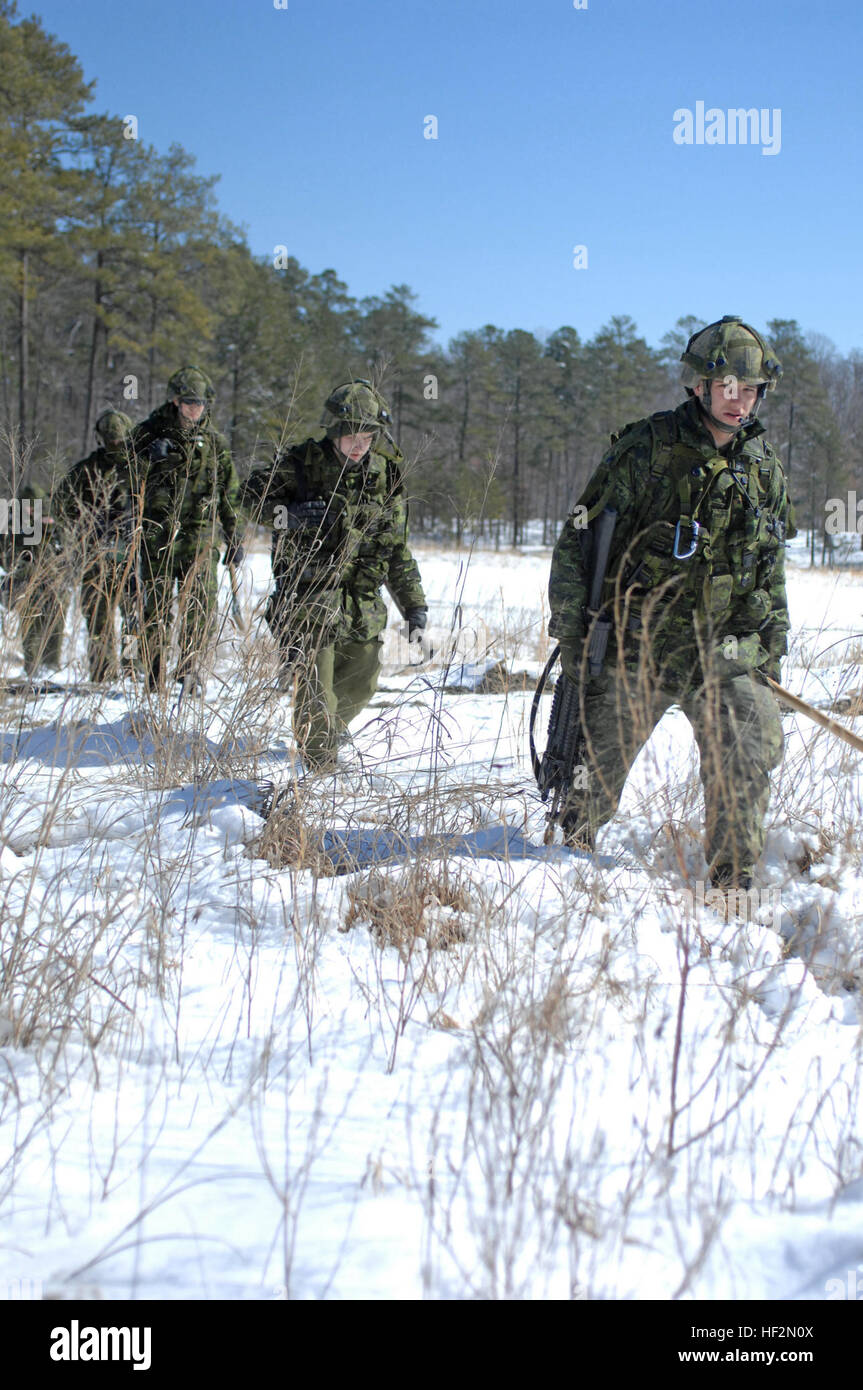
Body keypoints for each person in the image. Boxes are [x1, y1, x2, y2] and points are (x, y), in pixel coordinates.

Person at [548, 316, 793, 890]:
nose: (740, 401)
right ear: (699, 386)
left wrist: (767, 662)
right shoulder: (646, 450)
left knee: (749, 746)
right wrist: (575, 639)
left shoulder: (764, 472)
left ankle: (732, 883)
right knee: (588, 781)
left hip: (723, 656)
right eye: (729, 386)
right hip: (638, 650)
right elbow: (577, 543)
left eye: (751, 389)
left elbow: (771, 575)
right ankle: (560, 875)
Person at [242, 379, 428, 770]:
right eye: (351, 436)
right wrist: (285, 516)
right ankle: (319, 766)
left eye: (368, 436)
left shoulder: (386, 475)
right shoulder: (301, 464)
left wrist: (414, 607)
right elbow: (245, 498)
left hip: (361, 603)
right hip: (309, 599)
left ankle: (325, 731)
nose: (359, 445)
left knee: (361, 683)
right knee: (315, 689)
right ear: (334, 431)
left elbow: (395, 548)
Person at [130, 366, 241, 692]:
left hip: (199, 535)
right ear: (176, 400)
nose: (196, 408)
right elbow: (121, 476)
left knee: (201, 605)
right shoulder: (147, 433)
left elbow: (229, 494)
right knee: (155, 608)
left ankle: (190, 670)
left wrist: (234, 536)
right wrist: (146, 458)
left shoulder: (215, 444)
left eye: (202, 403)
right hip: (157, 535)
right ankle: (154, 673)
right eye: (190, 401)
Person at [54, 409, 135, 682]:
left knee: (107, 618)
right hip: (121, 555)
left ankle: (106, 674)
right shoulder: (137, 469)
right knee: (132, 617)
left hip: (103, 554)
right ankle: (129, 672)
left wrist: (80, 526)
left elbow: (60, 506)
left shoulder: (86, 471)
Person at [0, 482, 66, 678]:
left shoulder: (51, 525)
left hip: (52, 581)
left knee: (55, 621)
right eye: (28, 507)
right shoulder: (12, 524)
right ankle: (34, 668)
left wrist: (47, 527)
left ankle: (50, 666)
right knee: (32, 620)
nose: (31, 511)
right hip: (25, 583)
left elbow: (61, 552)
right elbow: (7, 558)